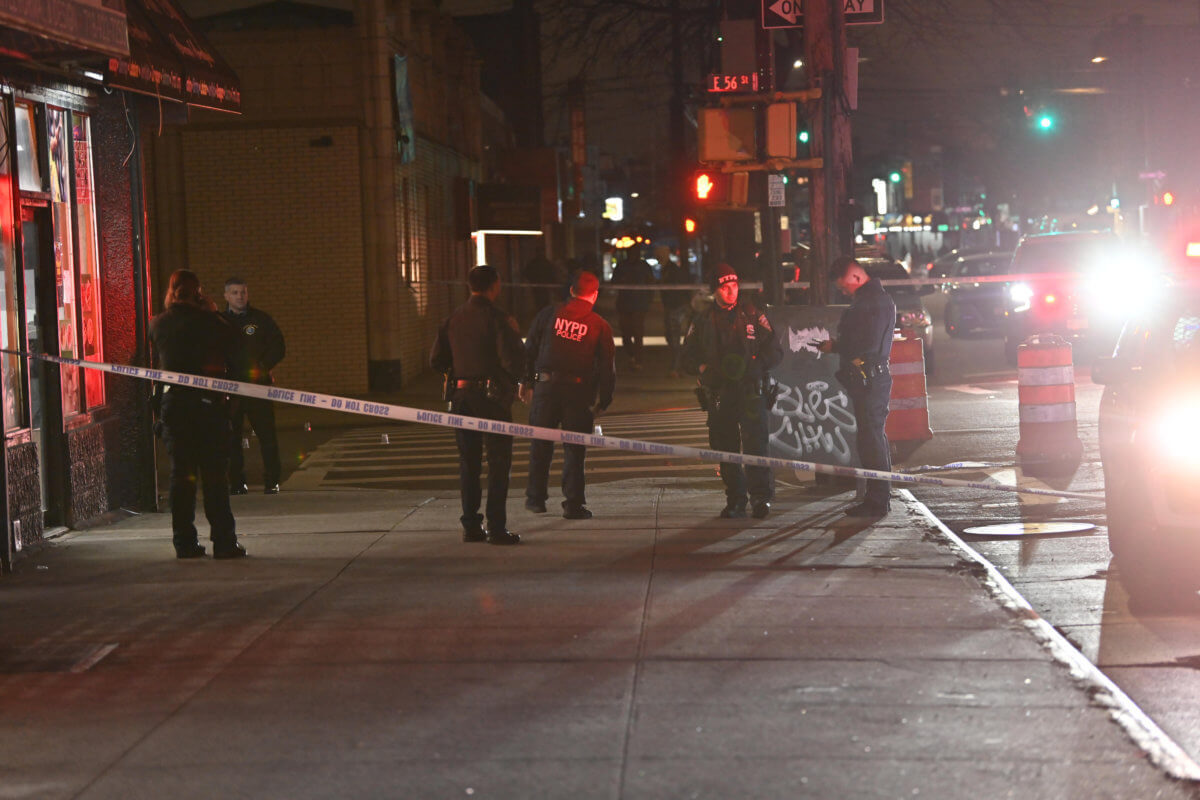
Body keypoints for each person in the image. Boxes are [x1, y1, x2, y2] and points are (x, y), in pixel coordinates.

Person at [149, 270, 246, 559]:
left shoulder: (158, 324)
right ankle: (224, 542)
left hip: (175, 408)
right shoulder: (211, 323)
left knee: (182, 477)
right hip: (208, 408)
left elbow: (153, 365)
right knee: (215, 478)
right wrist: (212, 311)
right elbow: (236, 344)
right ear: (198, 293)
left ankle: (184, 542)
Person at [430, 265, 525, 545]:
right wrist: (515, 381)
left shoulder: (452, 319)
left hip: (461, 398)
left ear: (469, 286)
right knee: (498, 462)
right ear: (495, 285)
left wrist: (459, 369)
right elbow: (512, 360)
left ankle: (471, 526)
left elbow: (436, 360)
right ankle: (496, 527)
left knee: (469, 463)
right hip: (491, 399)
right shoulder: (498, 319)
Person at [681, 263, 782, 519]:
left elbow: (775, 350)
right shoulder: (702, 320)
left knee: (756, 445)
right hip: (720, 393)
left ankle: (761, 498)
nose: (731, 291)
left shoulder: (752, 313)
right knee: (725, 448)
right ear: (715, 290)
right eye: (725, 287)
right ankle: (736, 499)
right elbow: (687, 357)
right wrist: (703, 368)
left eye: (734, 285)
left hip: (750, 391)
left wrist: (757, 366)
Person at [521, 270, 616, 520]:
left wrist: (525, 381)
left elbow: (529, 349)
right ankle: (573, 504)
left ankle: (535, 499)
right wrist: (605, 399)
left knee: (540, 444)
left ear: (572, 291)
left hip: (545, 388)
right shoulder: (599, 325)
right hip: (578, 393)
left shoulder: (548, 314)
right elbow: (607, 367)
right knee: (574, 449)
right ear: (594, 295)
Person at [819, 255, 897, 517]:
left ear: (856, 276)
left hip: (870, 378)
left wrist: (838, 346)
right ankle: (877, 497)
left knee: (871, 439)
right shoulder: (874, 300)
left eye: (844, 287)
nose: (844, 292)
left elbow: (867, 344)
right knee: (871, 438)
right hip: (870, 377)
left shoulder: (872, 302)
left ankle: (878, 500)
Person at [222, 277, 286, 495]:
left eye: (243, 292)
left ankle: (272, 481)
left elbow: (279, 346)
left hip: (258, 387)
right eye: (235, 292)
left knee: (267, 436)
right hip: (231, 389)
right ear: (226, 296)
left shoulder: (261, 319)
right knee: (232, 438)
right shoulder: (220, 322)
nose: (240, 296)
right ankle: (237, 483)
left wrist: (263, 366)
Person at [609, 249, 654, 371]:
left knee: (638, 333)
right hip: (625, 304)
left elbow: (651, 283)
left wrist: (648, 300)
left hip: (639, 304)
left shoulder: (643, 266)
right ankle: (632, 356)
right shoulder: (622, 266)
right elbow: (614, 281)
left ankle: (638, 359)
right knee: (626, 333)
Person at [657, 245, 692, 377]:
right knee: (672, 337)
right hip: (674, 306)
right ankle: (679, 366)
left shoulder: (671, 270)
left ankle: (676, 366)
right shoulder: (668, 269)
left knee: (674, 337)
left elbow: (675, 289)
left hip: (675, 306)